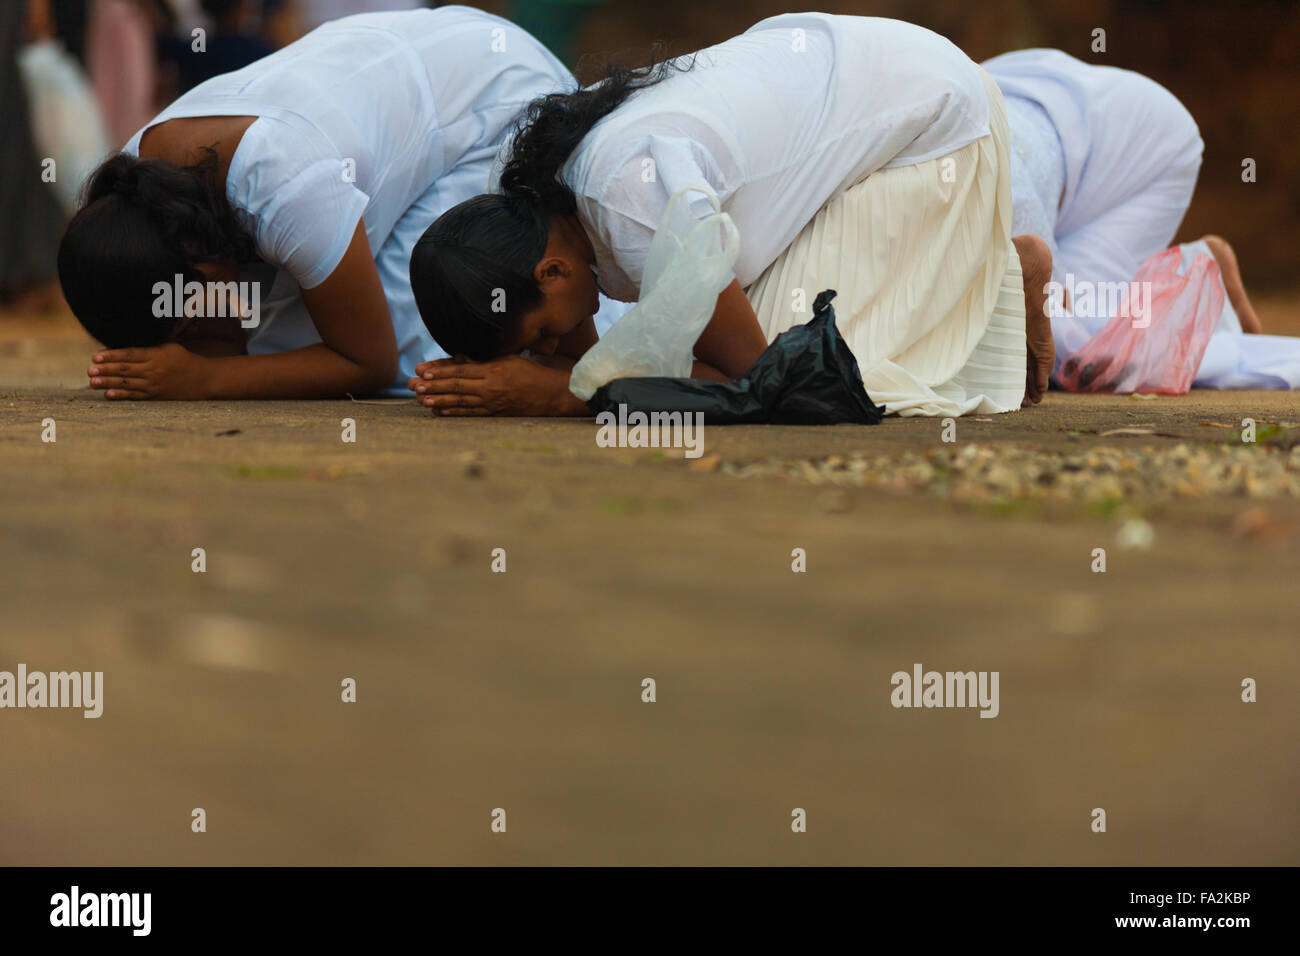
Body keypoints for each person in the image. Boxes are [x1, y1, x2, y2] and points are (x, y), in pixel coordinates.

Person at [408, 13, 1057, 418]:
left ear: (551, 272)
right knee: (683, 352)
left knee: (813, 376)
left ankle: (1004, 267)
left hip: (932, 123)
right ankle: (980, 276)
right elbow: (604, 362)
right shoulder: (536, 193)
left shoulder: (627, 204)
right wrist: (567, 377)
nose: (553, 350)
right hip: (877, 73)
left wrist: (557, 393)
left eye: (540, 338)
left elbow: (760, 379)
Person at [57, 6, 623, 399]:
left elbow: (365, 362)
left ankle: (595, 372)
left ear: (199, 262)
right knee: (287, 339)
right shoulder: (139, 184)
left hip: (494, 94)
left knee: (427, 338)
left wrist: (201, 381)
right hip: (407, 72)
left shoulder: (284, 181)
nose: (201, 342)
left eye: (188, 326)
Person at [987, 48, 1300, 390]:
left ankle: (1194, 282)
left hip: (1134, 143)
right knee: (1066, 316)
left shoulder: (990, 184)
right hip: (1089, 108)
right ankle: (1192, 269)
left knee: (1078, 351)